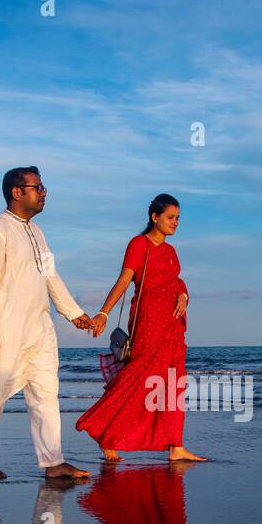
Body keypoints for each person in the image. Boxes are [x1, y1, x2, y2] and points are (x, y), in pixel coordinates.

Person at [0, 166, 94, 480]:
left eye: (43, 188)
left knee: (46, 396)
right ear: (17, 192)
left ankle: (53, 462)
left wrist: (72, 311)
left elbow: (50, 276)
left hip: (40, 331)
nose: (43, 194)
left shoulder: (38, 233)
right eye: (37, 188)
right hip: (6, 332)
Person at [76, 194, 206, 462]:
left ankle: (175, 445)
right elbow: (124, 280)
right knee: (136, 379)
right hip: (148, 321)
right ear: (154, 217)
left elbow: (177, 282)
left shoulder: (171, 251)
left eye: (178, 219)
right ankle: (103, 431)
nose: (175, 223)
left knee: (173, 384)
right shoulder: (139, 244)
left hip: (173, 325)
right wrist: (103, 312)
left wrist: (184, 295)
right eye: (170, 217)